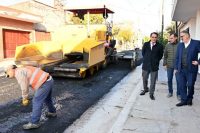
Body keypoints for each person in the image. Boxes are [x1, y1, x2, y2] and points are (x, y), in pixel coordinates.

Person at [5, 65, 57, 129]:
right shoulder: (22, 68)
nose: (7, 75)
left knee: (36, 101)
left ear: (11, 69)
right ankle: (52, 112)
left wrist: (25, 98)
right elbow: (32, 80)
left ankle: (34, 123)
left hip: (44, 83)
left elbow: (24, 87)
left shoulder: (18, 73)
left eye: (7, 73)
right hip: (49, 80)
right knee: (47, 99)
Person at [175, 30, 200, 106]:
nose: (181, 38)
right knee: (182, 85)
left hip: (191, 70)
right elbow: (177, 57)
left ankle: (189, 99)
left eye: (182, 36)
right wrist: (176, 68)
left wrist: (198, 62)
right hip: (181, 69)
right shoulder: (180, 45)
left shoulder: (196, 43)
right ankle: (183, 100)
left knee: (190, 85)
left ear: (187, 36)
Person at [140, 32, 164, 100]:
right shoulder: (146, 44)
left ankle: (151, 93)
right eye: (152, 37)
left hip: (154, 66)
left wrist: (156, 61)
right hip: (145, 65)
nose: (154, 38)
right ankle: (145, 89)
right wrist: (146, 59)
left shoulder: (160, 46)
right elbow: (143, 53)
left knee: (153, 81)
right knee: (144, 79)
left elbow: (160, 55)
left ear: (157, 38)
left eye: (155, 37)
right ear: (150, 37)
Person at [163, 33, 180, 100]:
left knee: (178, 81)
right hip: (169, 66)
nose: (170, 39)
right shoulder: (167, 45)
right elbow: (165, 55)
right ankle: (170, 92)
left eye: (172, 38)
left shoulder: (180, 45)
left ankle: (179, 94)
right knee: (169, 79)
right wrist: (164, 64)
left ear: (176, 38)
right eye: (170, 38)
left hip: (177, 66)